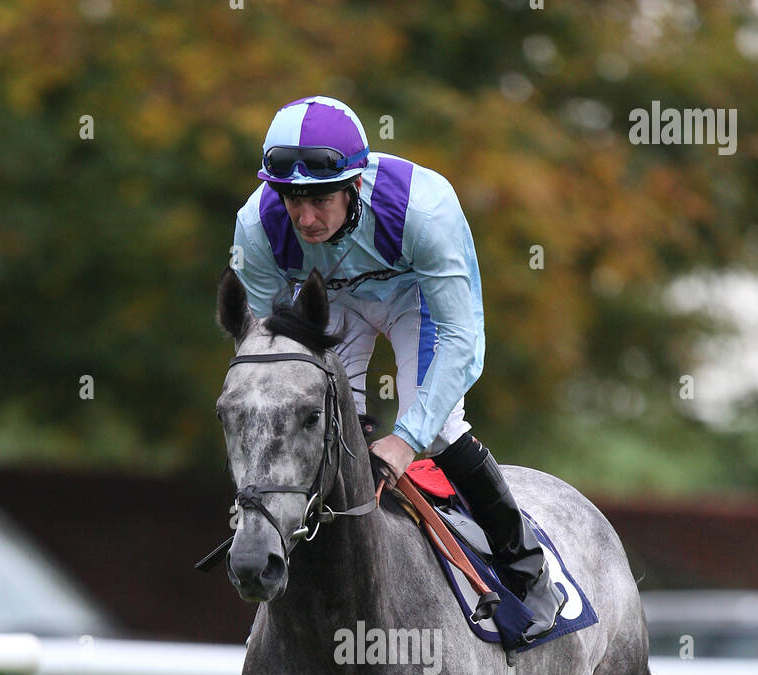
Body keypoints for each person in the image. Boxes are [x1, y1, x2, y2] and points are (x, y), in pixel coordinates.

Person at [232, 94, 564, 638]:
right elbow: (271, 353)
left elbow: (463, 341)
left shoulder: (425, 209)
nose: (306, 218)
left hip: (417, 299)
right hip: (330, 303)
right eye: (292, 200)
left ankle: (525, 570)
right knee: (327, 432)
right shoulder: (256, 225)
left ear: (354, 184)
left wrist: (406, 439)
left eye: (319, 199)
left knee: (439, 431)